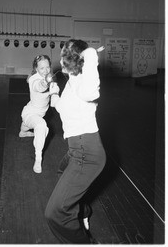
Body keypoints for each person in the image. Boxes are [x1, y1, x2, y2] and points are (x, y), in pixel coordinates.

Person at [45, 39, 106, 243]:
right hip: (76, 150)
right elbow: (63, 108)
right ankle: (83, 211)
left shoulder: (83, 82)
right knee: (62, 172)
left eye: (64, 53)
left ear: (74, 58)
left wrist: (90, 55)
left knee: (55, 212)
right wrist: (54, 94)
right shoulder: (72, 82)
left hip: (86, 153)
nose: (60, 57)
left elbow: (91, 92)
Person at [19, 54, 57, 174]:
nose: (45, 71)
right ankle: (38, 158)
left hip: (35, 113)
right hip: (30, 114)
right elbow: (39, 87)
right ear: (36, 69)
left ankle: (23, 132)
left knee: (28, 124)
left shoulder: (50, 78)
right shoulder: (33, 79)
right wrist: (46, 81)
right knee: (41, 126)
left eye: (47, 67)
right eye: (42, 68)